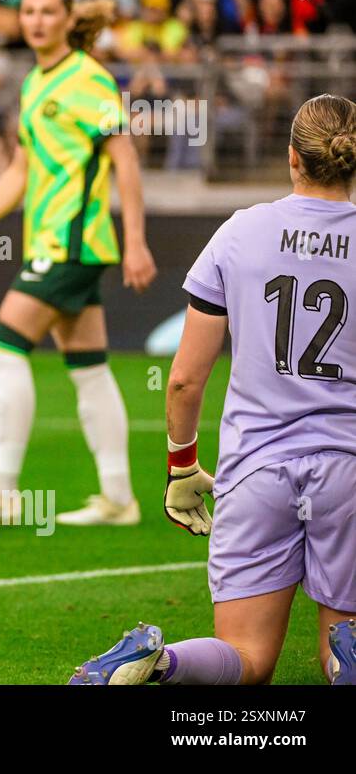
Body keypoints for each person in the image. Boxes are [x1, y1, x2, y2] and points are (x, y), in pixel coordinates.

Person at [70, 94, 356, 686]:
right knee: (341, 648)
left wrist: (181, 468)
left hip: (254, 470)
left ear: (291, 158)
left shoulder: (241, 230)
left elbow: (183, 377)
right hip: (348, 468)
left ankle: (160, 663)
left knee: (247, 660)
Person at [0, 0, 157, 527]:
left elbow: (124, 160)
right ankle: (118, 499)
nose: (36, 21)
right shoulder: (35, 81)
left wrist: (135, 241)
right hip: (54, 244)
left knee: (4, 348)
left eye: (47, 12)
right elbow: (20, 170)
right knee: (89, 367)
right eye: (28, 11)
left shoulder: (88, 78)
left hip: (73, 244)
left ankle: (2, 491)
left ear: (66, 19)